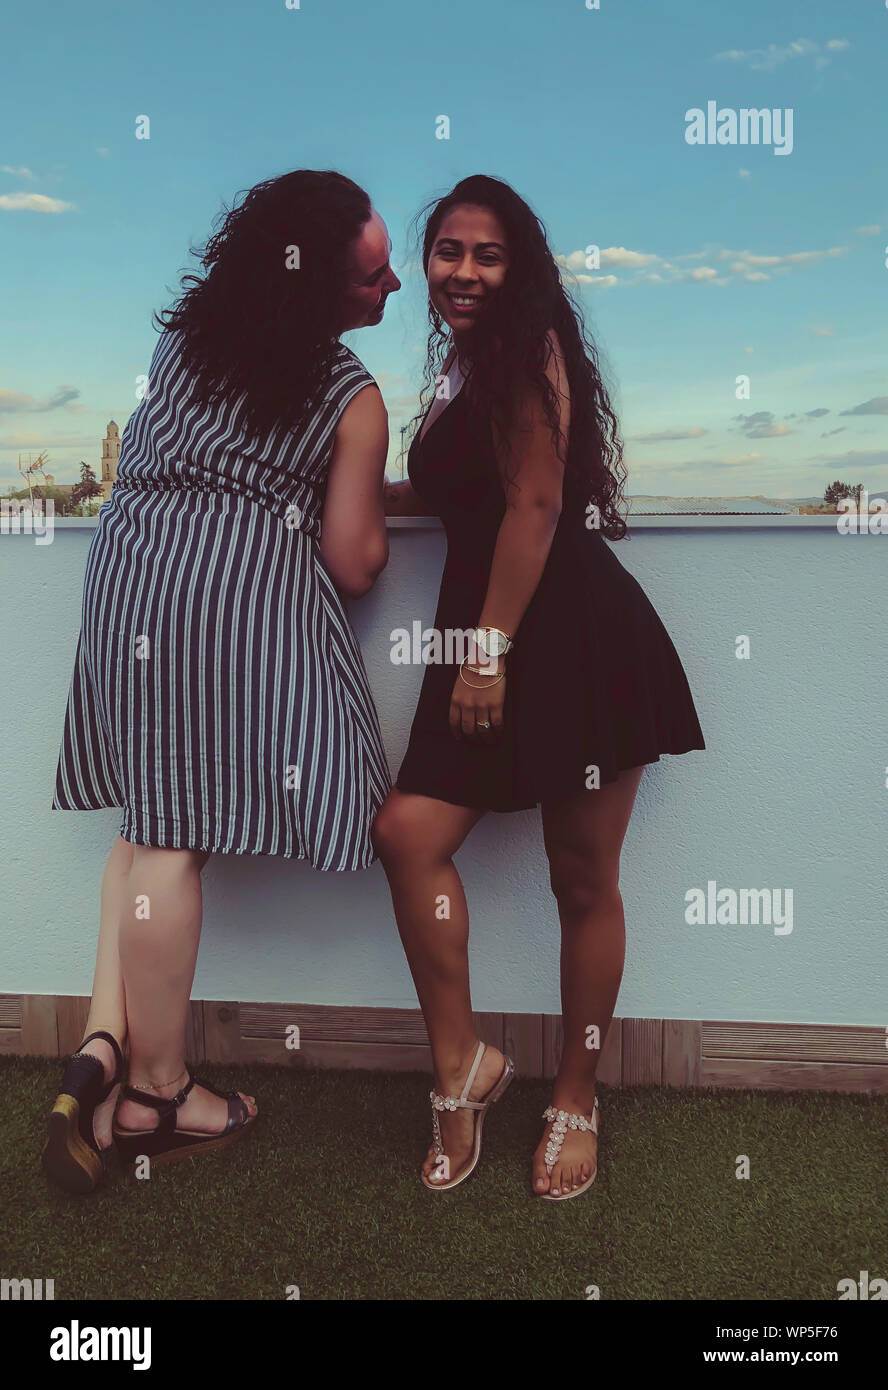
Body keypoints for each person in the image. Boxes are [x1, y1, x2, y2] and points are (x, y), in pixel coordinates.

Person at [44, 170, 400, 1192]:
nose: (389, 292)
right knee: (173, 846)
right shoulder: (351, 394)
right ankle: (160, 1094)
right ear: (322, 290)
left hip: (126, 572)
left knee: (144, 823)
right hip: (222, 595)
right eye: (373, 277)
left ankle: (100, 1051)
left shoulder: (184, 346)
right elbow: (355, 559)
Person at [376, 175, 705, 1201]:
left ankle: (576, 1093)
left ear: (519, 269)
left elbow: (537, 500)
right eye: (447, 251)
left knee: (581, 879)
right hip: (491, 632)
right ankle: (464, 1065)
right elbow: (450, 493)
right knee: (407, 835)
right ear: (427, 263)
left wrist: (486, 653)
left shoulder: (528, 350)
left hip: (563, 637)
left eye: (487, 253)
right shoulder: (462, 372)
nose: (464, 271)